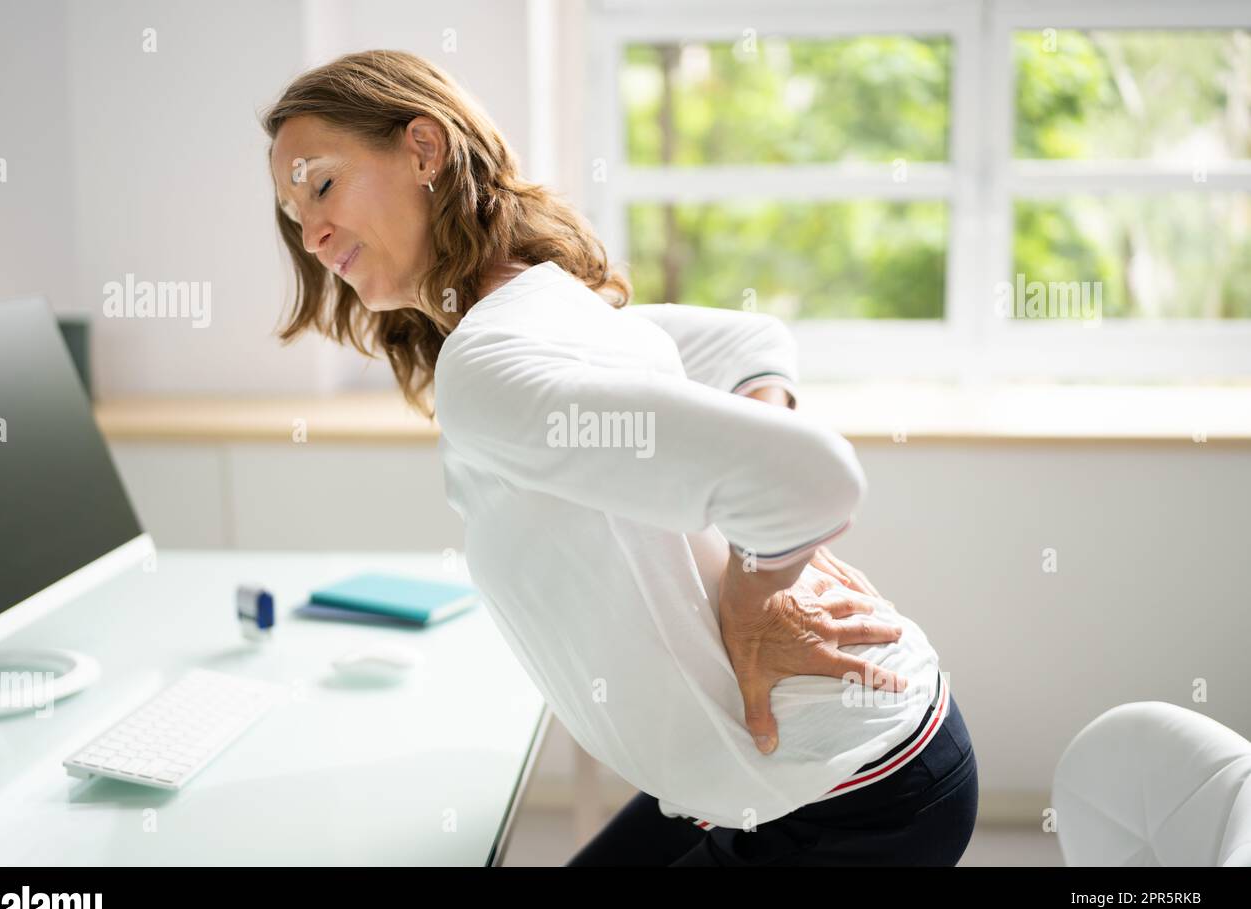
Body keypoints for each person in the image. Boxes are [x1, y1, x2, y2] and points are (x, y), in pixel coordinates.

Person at [261, 49, 977, 865]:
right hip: (783, 773)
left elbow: (812, 477)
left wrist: (755, 595)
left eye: (321, 185)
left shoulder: (492, 362)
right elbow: (754, 341)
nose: (311, 235)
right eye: (294, 214)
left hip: (849, 796)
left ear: (424, 150)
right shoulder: (537, 298)